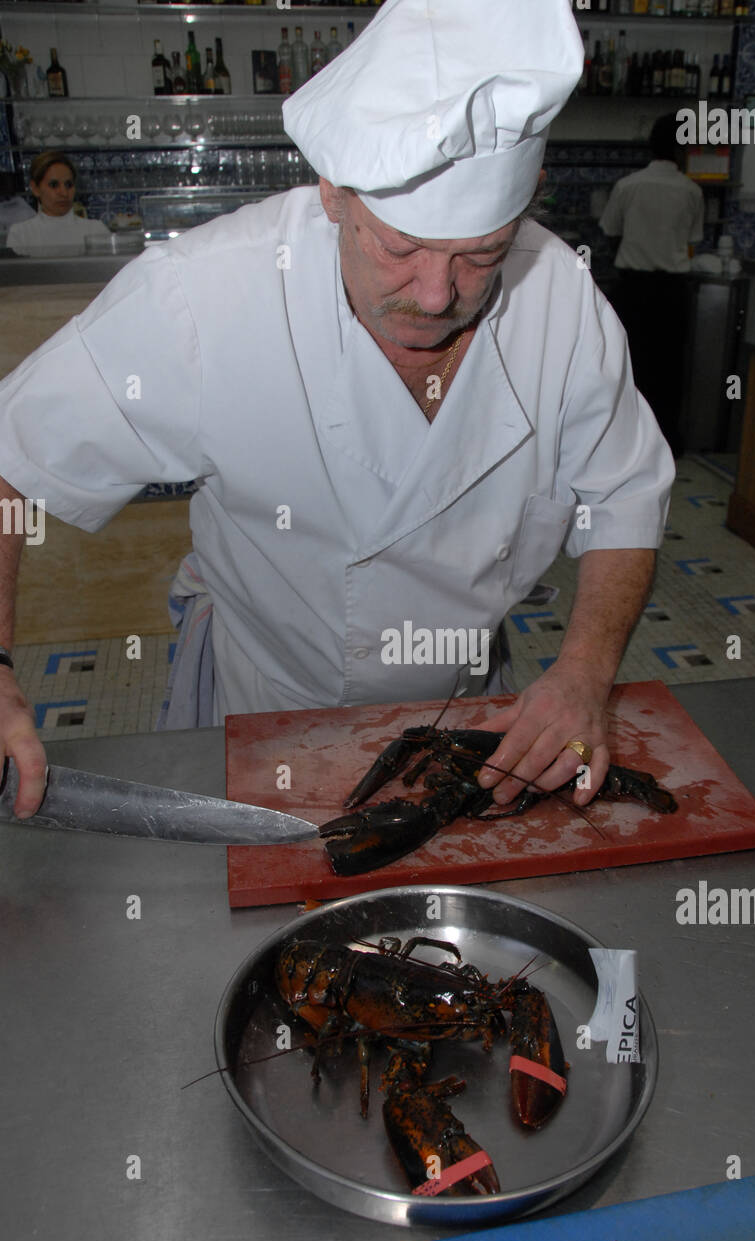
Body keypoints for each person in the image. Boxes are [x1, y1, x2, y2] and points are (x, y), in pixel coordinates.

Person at [0, 0, 673, 823]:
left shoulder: (562, 302)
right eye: (398, 248)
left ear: (529, 197)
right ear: (332, 191)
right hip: (264, 699)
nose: (437, 296)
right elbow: (10, 456)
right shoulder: (206, 299)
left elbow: (625, 495)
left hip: (468, 707)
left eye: (481, 255)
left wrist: (583, 672)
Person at [598, 112, 704, 457]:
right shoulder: (692, 191)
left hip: (633, 289)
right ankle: (665, 446)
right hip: (673, 292)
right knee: (669, 370)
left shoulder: (628, 186)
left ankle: (627, 447)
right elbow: (693, 239)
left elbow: (610, 232)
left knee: (631, 367)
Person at [6, 151, 110, 257]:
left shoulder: (96, 230)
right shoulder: (21, 234)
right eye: (54, 185)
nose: (64, 193)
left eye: (68, 184)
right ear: (35, 188)